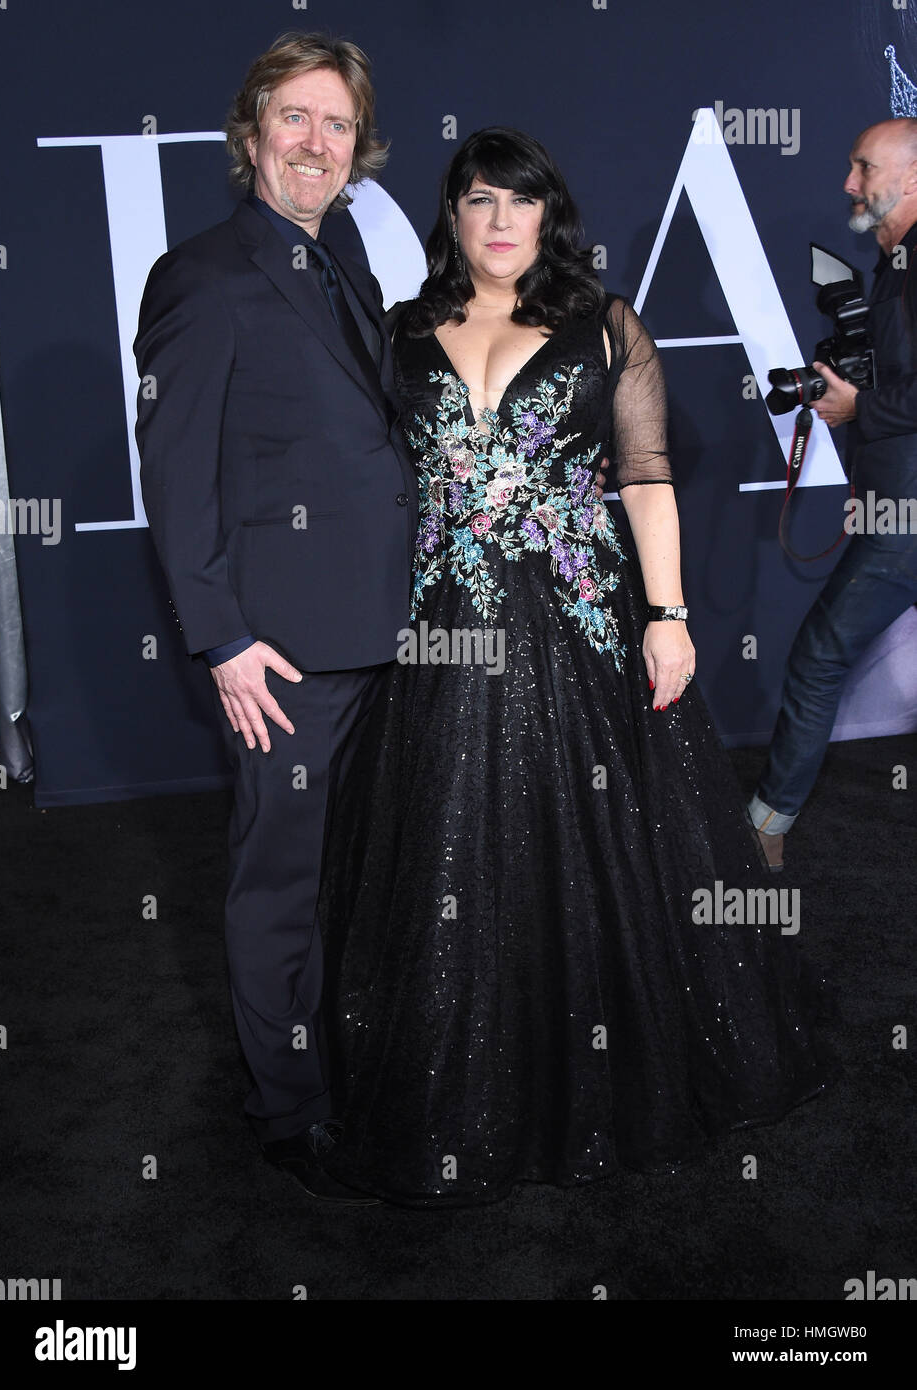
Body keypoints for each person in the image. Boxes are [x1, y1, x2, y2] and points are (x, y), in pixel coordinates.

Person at [317, 128, 840, 1208]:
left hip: (578, 620)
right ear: (452, 216)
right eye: (479, 200)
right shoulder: (403, 330)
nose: (501, 220)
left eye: (522, 201)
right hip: (442, 626)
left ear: (548, 215)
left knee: (610, 846)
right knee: (444, 846)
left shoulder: (603, 326)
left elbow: (644, 477)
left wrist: (668, 613)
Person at [133, 32, 418, 1203]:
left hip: (382, 631)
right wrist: (221, 637)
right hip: (284, 651)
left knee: (356, 871)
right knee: (281, 880)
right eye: (294, 119)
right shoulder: (202, 274)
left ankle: (339, 1059)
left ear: (359, 148)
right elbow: (174, 473)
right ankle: (288, 1108)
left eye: (336, 124)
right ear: (250, 133)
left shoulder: (337, 251)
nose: (315, 143)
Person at [750, 118, 917, 870]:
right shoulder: (892, 267)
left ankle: (767, 825)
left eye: (863, 168)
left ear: (911, 176)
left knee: (820, 654)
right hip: (893, 507)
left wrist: (859, 408)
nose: (850, 184)